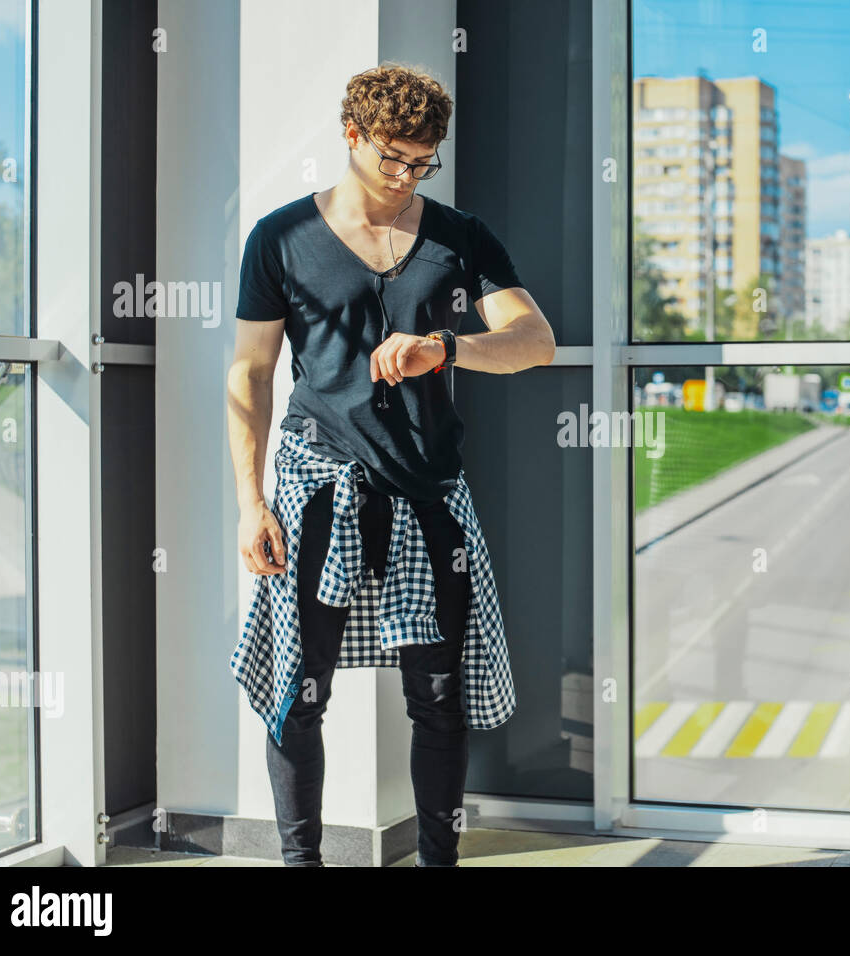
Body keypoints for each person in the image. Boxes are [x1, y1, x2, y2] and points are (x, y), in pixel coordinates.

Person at [225, 61, 555, 867]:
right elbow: (251, 373)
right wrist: (250, 502)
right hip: (316, 485)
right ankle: (301, 862)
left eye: (422, 162)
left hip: (428, 492)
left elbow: (533, 343)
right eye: (392, 158)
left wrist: (446, 346)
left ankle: (439, 861)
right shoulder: (281, 238)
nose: (406, 177)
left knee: (438, 700)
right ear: (353, 135)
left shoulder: (460, 238)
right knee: (300, 696)